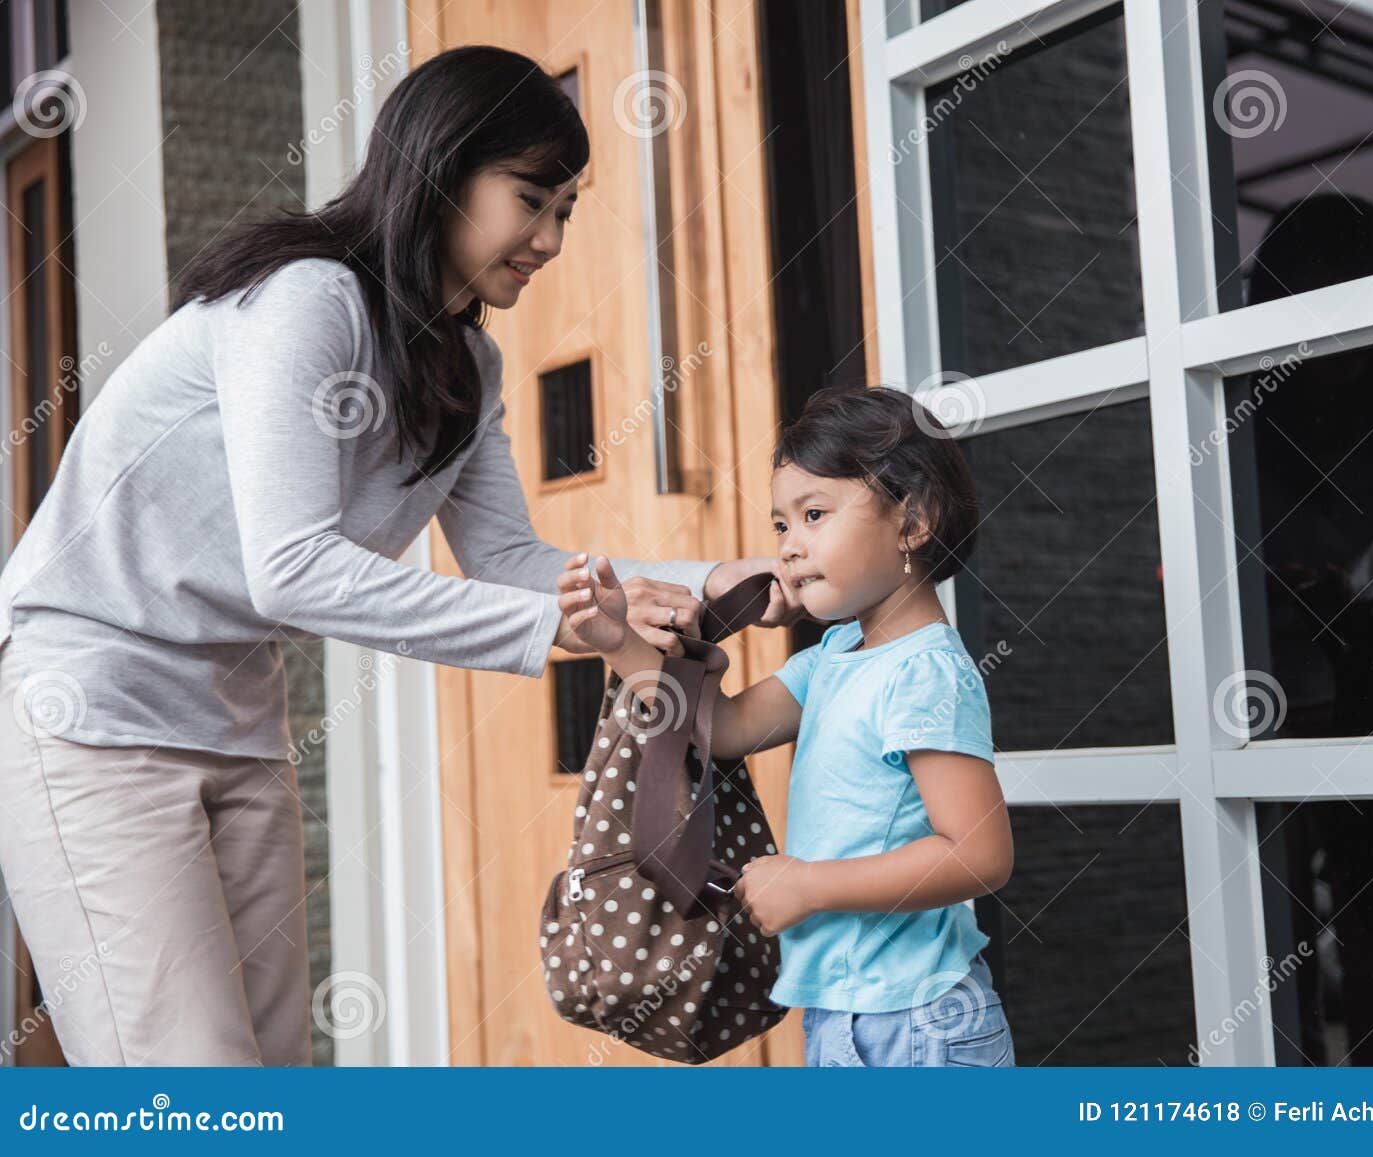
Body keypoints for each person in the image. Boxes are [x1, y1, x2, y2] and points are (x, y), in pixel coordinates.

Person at [0, 44, 795, 1066]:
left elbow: (509, 557)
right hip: (89, 704)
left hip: (234, 716)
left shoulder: (466, 359)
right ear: (442, 169)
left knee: (274, 1066)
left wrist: (703, 581)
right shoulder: (306, 300)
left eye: (565, 210)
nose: (550, 238)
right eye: (531, 200)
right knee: (181, 1073)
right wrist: (557, 625)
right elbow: (288, 566)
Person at [558, 385, 1015, 1067]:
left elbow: (979, 855)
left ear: (914, 521)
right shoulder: (833, 655)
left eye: (815, 514)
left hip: (920, 1022)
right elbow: (725, 725)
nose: (792, 547)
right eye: (781, 525)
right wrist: (618, 643)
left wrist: (811, 885)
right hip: (844, 1016)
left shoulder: (924, 674)